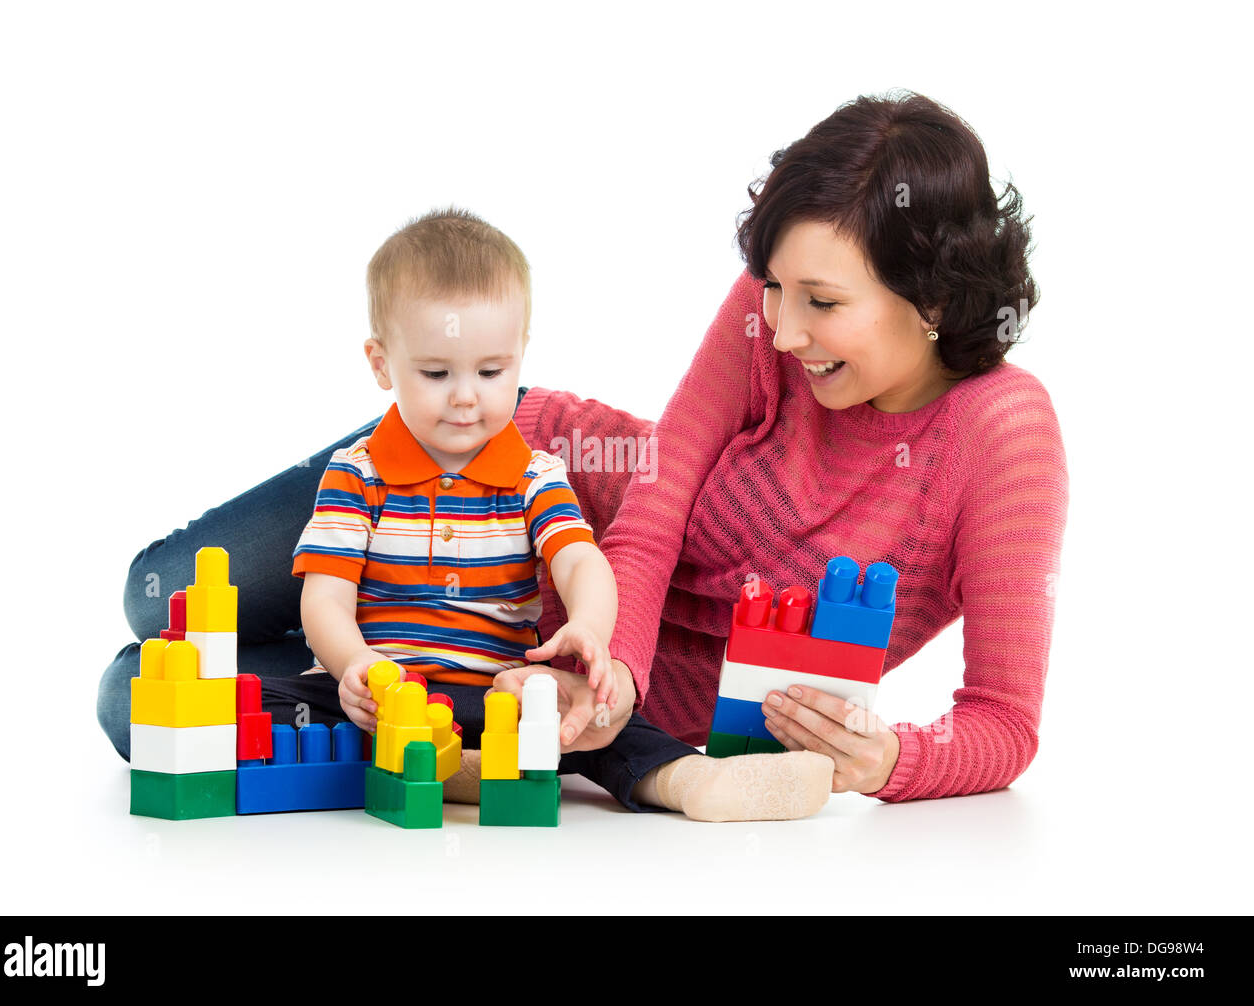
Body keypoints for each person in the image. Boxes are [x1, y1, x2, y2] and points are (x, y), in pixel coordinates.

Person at [99, 88, 1068, 808]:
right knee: (161, 588)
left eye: (821, 303)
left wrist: (893, 759)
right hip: (489, 456)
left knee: (130, 700)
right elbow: (649, 517)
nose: (779, 331)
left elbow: (1004, 721)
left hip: (548, 673)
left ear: (935, 299)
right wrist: (616, 662)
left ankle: (436, 742)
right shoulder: (765, 321)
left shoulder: (1001, 439)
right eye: (773, 289)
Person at [98, 207, 836, 822]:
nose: (465, 397)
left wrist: (590, 627)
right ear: (382, 365)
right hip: (375, 696)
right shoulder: (358, 473)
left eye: (491, 373)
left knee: (590, 720)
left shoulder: (533, 474)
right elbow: (324, 592)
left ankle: (688, 783)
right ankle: (438, 768)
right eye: (435, 373)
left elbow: (580, 559)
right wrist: (353, 664)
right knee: (175, 706)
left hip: (492, 694)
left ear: (519, 358)